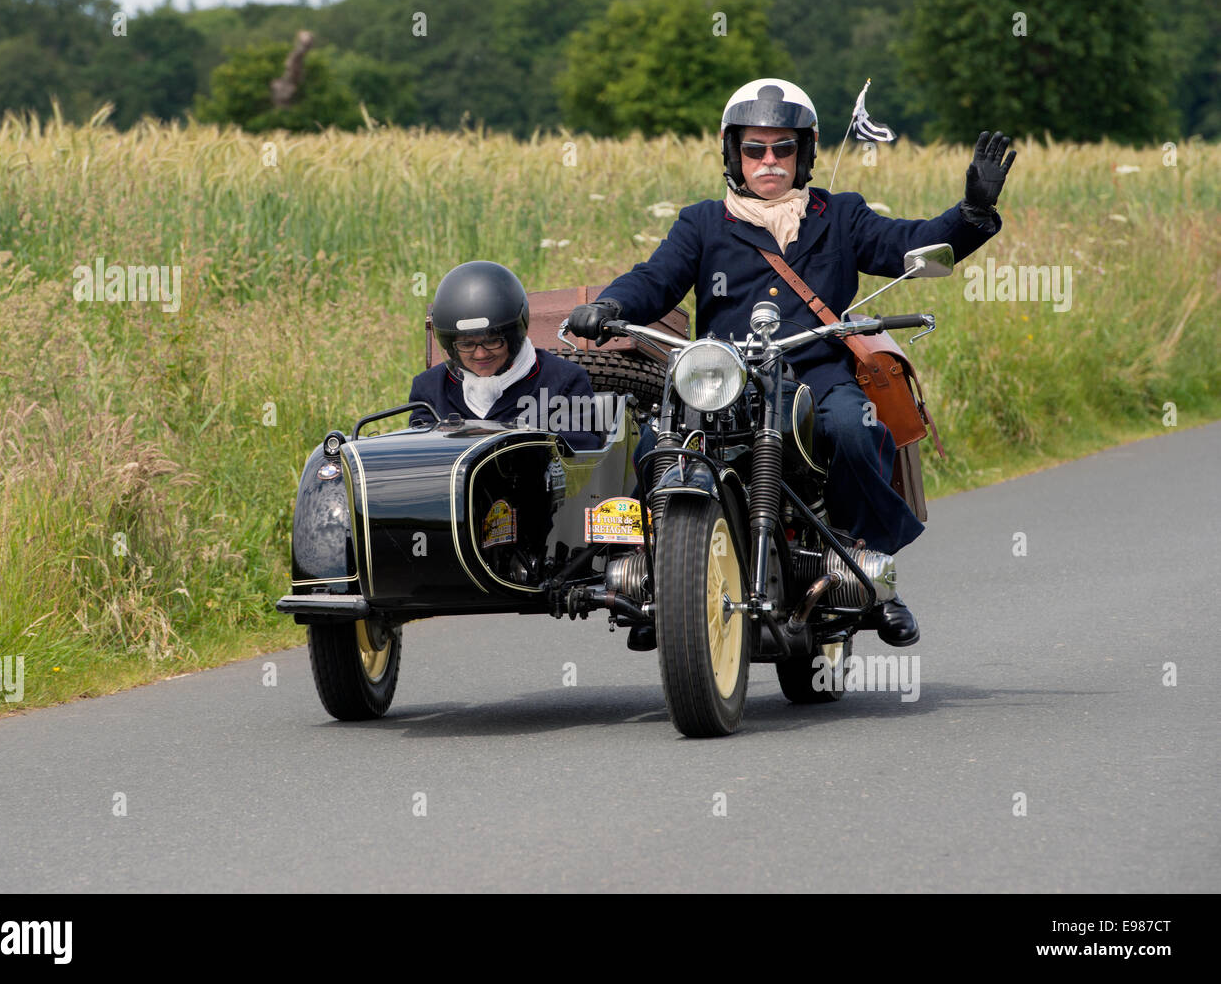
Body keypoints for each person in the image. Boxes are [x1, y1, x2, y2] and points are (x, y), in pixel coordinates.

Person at [567, 78, 1016, 646]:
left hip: (817, 376)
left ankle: (866, 566)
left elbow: (913, 244)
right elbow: (654, 281)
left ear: (804, 154)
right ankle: (658, 577)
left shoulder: (840, 215)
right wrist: (609, 305)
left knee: (855, 427)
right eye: (755, 149)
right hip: (725, 383)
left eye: (783, 148)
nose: (769, 160)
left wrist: (973, 211)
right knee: (656, 444)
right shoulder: (702, 222)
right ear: (734, 154)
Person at [410, 260, 603, 451]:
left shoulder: (564, 381)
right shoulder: (429, 388)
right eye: (466, 344)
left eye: (493, 341)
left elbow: (579, 458)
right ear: (449, 345)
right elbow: (419, 458)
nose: (480, 353)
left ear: (513, 336)